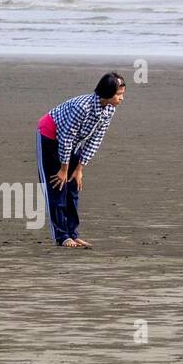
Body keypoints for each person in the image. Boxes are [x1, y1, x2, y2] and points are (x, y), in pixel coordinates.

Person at [35, 73, 126, 249]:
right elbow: (66, 138)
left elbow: (96, 139)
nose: (121, 98)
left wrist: (79, 168)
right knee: (57, 187)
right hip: (50, 136)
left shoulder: (109, 110)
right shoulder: (82, 108)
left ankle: (73, 234)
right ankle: (62, 236)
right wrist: (63, 168)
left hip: (73, 143)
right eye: (118, 94)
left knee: (73, 188)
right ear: (106, 92)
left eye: (123, 94)